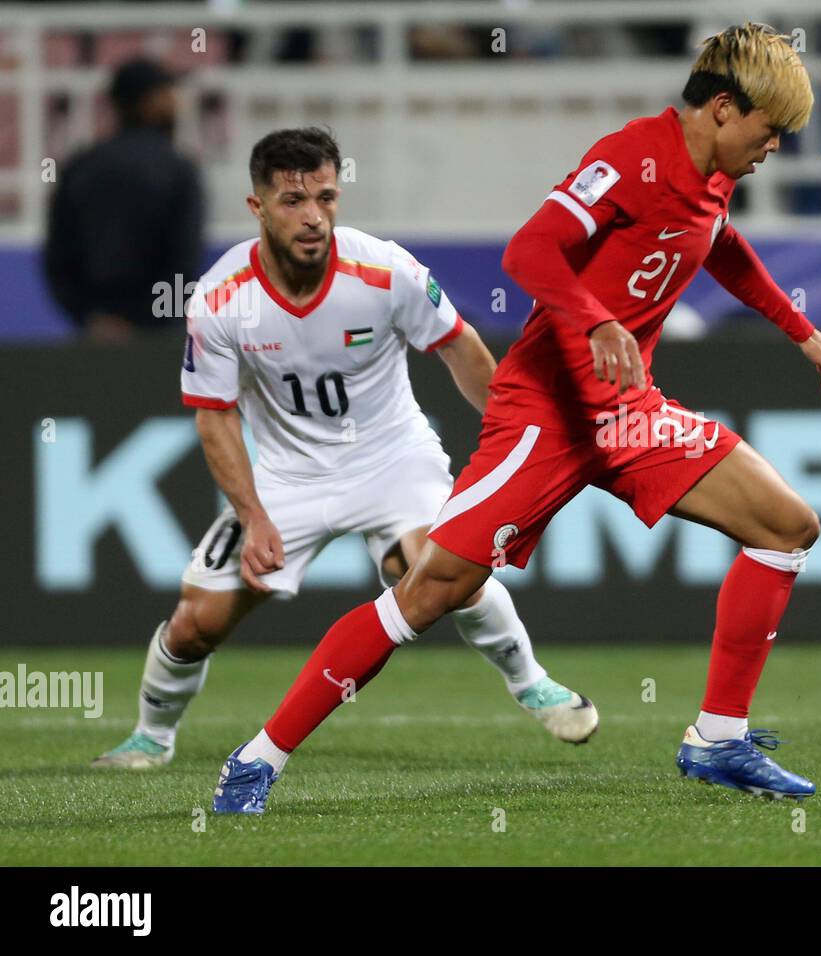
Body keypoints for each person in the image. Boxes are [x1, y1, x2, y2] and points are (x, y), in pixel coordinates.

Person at [211, 23, 821, 815]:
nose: (775, 147)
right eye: (772, 130)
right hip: (547, 415)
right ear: (724, 108)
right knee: (429, 593)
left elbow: (719, 244)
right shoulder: (631, 158)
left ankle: (718, 740)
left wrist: (800, 329)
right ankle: (257, 758)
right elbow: (531, 251)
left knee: (788, 527)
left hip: (627, 412)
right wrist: (595, 320)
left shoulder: (714, 174)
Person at [93, 127, 595, 770]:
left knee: (436, 568)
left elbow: (460, 348)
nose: (313, 217)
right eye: (293, 201)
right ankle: (152, 737)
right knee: (197, 622)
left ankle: (530, 681)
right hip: (284, 476)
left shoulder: (386, 269)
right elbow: (214, 418)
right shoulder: (221, 299)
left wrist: (518, 445)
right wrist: (253, 517)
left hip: (391, 457)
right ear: (257, 208)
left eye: (326, 198)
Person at [44, 57, 204, 343]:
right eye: (166, 94)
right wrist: (147, 318)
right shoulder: (178, 169)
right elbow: (185, 258)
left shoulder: (79, 166)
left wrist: (92, 317)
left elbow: (58, 259)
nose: (175, 103)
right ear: (146, 102)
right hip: (159, 337)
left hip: (95, 333)